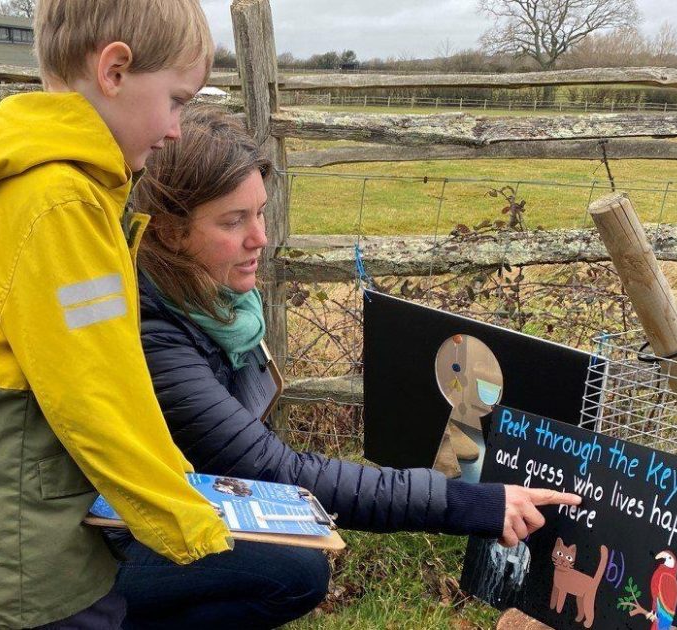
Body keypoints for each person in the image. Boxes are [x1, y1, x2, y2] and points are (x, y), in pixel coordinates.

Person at [108, 105, 582, 629]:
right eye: (233, 221)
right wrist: (468, 504)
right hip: (100, 548)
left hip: (156, 510)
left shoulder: (210, 307)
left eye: (260, 212)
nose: (260, 238)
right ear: (173, 234)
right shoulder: (156, 338)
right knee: (293, 569)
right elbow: (276, 474)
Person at [0, 3, 233, 628]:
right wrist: (182, 515)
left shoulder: (60, 187)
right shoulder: (60, 205)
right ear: (114, 70)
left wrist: (176, 474)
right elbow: (94, 392)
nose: (177, 129)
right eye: (176, 99)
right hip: (24, 562)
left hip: (21, 532)